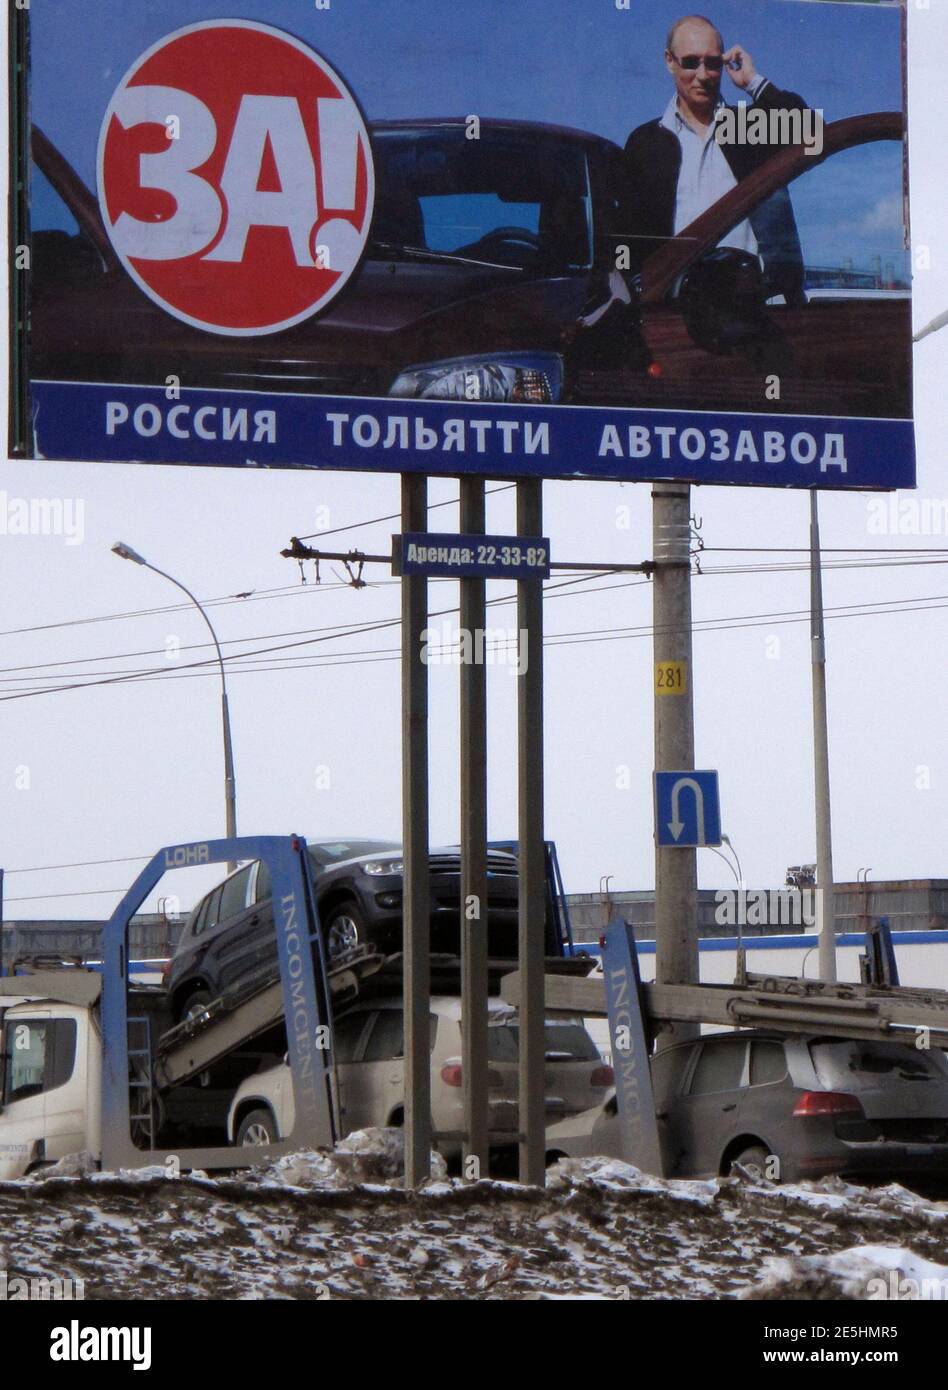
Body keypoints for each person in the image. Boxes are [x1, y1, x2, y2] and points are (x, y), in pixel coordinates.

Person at [621, 15, 807, 299]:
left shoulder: (749, 128)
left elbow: (810, 131)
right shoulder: (645, 143)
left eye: (713, 63)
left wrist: (752, 82)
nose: (703, 74)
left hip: (759, 310)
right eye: (691, 62)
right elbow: (627, 237)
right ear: (669, 61)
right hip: (674, 319)